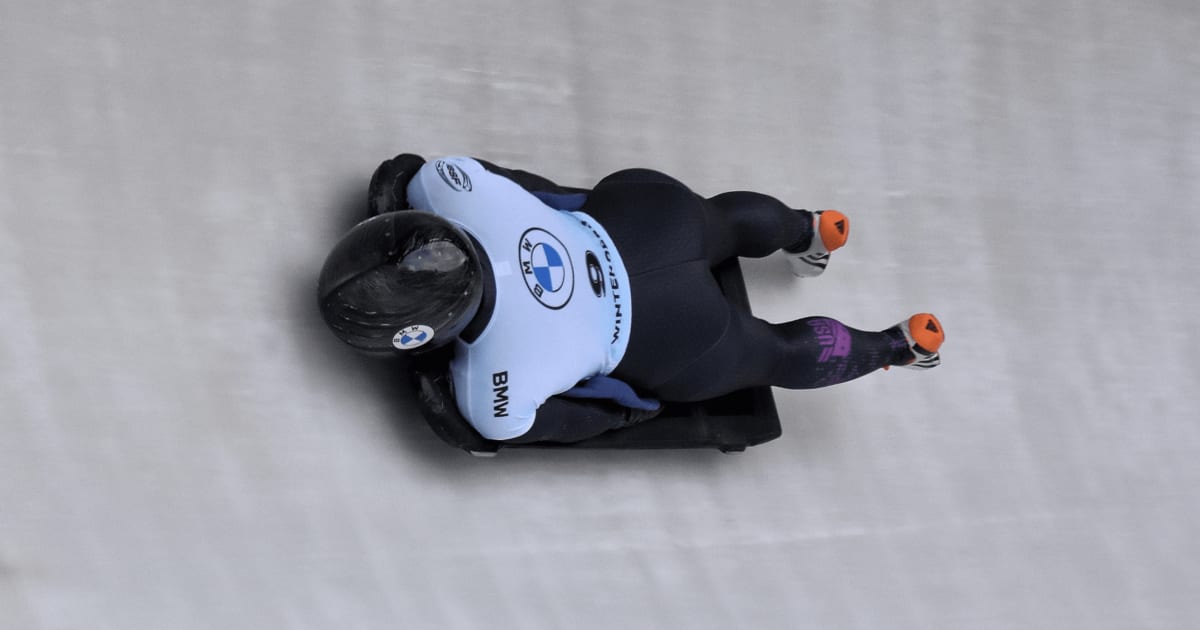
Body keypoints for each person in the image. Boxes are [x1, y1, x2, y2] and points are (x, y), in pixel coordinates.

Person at [317, 154, 944, 443]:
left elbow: (585, 416)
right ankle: (809, 225)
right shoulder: (446, 184)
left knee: (773, 356)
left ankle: (896, 345)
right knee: (719, 221)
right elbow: (531, 189)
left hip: (669, 333)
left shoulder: (495, 391)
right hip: (646, 219)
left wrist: (638, 409)